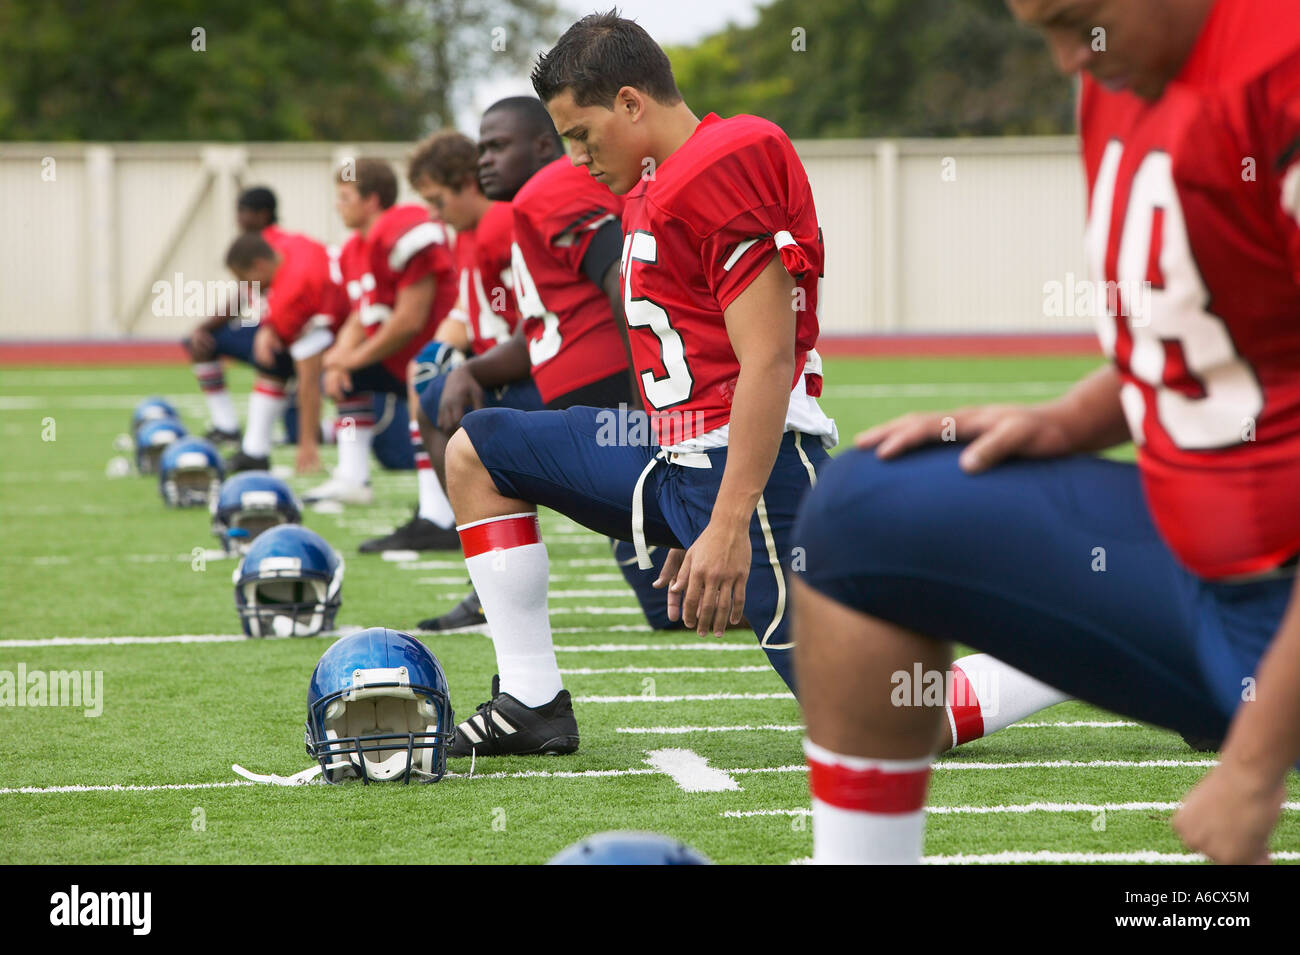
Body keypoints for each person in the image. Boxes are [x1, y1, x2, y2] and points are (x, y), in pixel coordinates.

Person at [793, 0, 1300, 864]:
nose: (1070, 58)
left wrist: (1253, 766)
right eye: (1046, 31)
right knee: (862, 510)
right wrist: (1067, 420)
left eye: (1080, 20)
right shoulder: (1124, 73)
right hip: (1209, 580)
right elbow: (1225, 338)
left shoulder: (1279, 71)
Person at [414, 97, 679, 634]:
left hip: (608, 395)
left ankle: (491, 587)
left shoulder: (549, 188)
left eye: (497, 147)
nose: (483, 161)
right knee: (670, 604)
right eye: (481, 149)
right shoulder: (531, 201)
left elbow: (623, 280)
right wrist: (472, 371)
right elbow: (540, 325)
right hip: (589, 390)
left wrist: (641, 408)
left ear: (542, 145)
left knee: (679, 604)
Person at [359, 130, 538, 553]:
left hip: (529, 371)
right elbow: (470, 304)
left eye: (438, 200)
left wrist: (472, 365)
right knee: (427, 379)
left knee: (444, 407)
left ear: (467, 184)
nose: (434, 214)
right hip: (501, 363)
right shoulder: (469, 231)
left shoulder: (498, 223)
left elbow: (527, 318)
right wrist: (437, 348)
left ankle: (473, 531)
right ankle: (446, 519)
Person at [310, 158, 458, 505]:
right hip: (399, 360)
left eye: (346, 197)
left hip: (440, 357)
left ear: (372, 201)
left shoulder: (401, 232)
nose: (337, 205)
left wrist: (350, 359)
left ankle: (438, 506)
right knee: (345, 379)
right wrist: (340, 359)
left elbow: (409, 322)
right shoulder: (353, 249)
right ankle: (352, 477)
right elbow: (362, 313)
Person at [221, 229, 349, 477]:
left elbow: (309, 380)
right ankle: (255, 450)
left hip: (367, 337)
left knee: (394, 451)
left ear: (259, 265)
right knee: (274, 355)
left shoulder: (293, 295)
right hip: (347, 323)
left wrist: (307, 443)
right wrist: (269, 327)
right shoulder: (289, 245)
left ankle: (346, 441)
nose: (246, 287)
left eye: (245, 279)